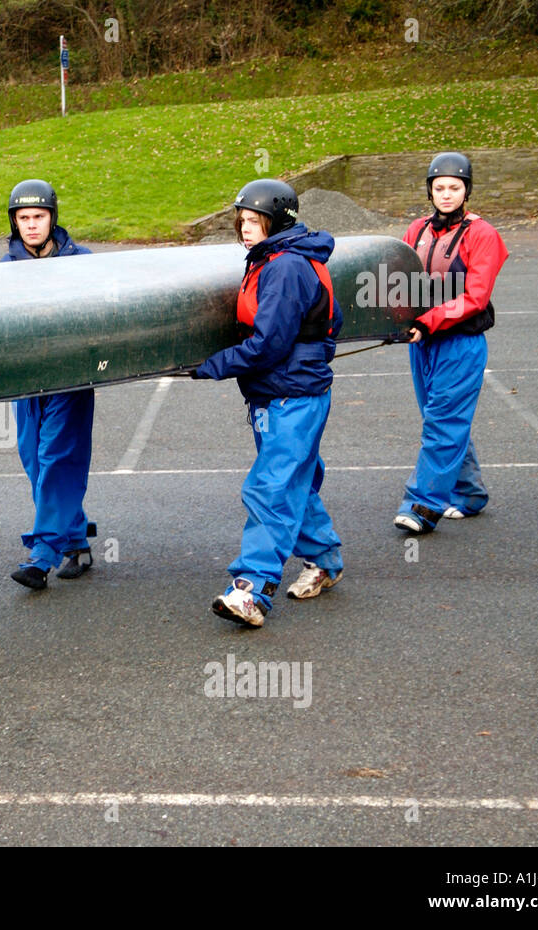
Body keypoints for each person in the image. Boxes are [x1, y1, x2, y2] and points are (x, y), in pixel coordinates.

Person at [191, 179, 345, 627]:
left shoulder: (285, 266)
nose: (244, 227)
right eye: (241, 219)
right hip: (283, 392)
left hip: (290, 395)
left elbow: (269, 344)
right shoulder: (283, 259)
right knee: (296, 482)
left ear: (277, 221)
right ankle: (325, 561)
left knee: (270, 489)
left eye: (254, 219)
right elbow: (327, 321)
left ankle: (251, 591)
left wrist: (211, 364)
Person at [394, 152, 509, 534]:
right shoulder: (417, 230)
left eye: (454, 188)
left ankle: (424, 504)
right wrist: (396, 320)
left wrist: (427, 322)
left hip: (460, 343)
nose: (446, 194)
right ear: (429, 191)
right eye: (439, 187)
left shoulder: (483, 235)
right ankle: (469, 492)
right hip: (423, 343)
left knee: (443, 421)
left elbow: (474, 296)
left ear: (467, 190)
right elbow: (401, 281)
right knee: (441, 418)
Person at [0, 179, 97, 590]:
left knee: (57, 459)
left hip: (70, 380)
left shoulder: (83, 261)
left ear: (52, 218)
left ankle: (42, 556)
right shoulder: (4, 270)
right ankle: (76, 541)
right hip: (26, 384)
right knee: (35, 463)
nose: (32, 225)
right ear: (15, 222)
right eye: (24, 218)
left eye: (39, 217)